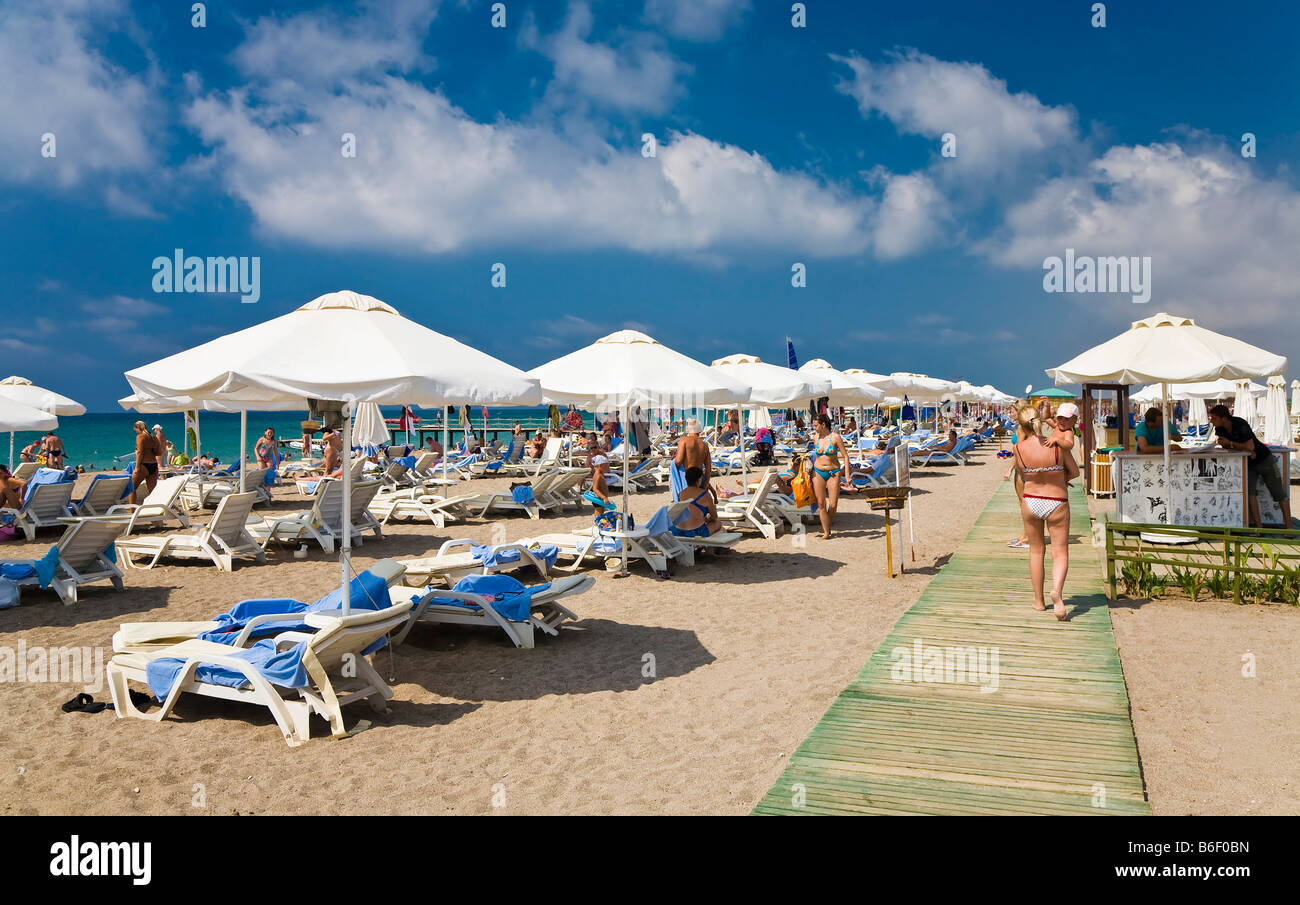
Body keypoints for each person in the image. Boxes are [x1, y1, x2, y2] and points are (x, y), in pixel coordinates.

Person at [1008, 400, 1070, 621]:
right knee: (1060, 552)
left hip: (1031, 500)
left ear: (1022, 426)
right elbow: (1073, 472)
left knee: (1036, 552)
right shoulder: (1056, 445)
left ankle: (1038, 601)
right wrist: (1060, 477)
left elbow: (1023, 473)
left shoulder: (1019, 448)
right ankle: (1058, 594)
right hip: (1056, 499)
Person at [1208, 404, 1292, 528]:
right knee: (1250, 494)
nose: (1211, 421)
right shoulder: (1220, 429)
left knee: (1278, 493)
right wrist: (1241, 447)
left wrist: (1233, 444)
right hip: (1248, 462)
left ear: (1224, 418)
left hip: (1264, 460)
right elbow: (1233, 446)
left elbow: (1250, 446)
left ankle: (1289, 527)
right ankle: (1258, 527)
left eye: (1214, 418)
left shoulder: (1240, 423)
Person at [809, 414, 844, 539]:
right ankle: (826, 532)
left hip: (833, 472)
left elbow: (845, 456)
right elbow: (817, 456)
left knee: (833, 504)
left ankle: (828, 526)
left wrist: (848, 476)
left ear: (823, 425)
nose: (814, 428)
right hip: (818, 471)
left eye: (816, 425)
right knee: (821, 503)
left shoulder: (835, 437)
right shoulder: (815, 438)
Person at [673, 466, 723, 538]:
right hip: (696, 533)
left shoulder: (681, 494)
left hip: (679, 531)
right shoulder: (704, 494)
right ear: (699, 480)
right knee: (718, 523)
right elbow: (715, 517)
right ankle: (711, 548)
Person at [674, 419, 713, 497]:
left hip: (688, 480)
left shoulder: (684, 440)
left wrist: (673, 462)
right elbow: (708, 469)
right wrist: (705, 486)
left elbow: (678, 462)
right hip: (700, 479)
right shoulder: (704, 445)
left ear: (689, 429)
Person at [129, 421, 161, 504]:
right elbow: (159, 452)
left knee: (131, 488)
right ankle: (157, 508)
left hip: (143, 465)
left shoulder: (140, 437)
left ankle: (132, 512)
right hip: (153, 465)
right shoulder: (153, 437)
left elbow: (140, 452)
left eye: (136, 430)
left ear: (138, 428)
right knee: (153, 491)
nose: (136, 432)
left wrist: (137, 467)